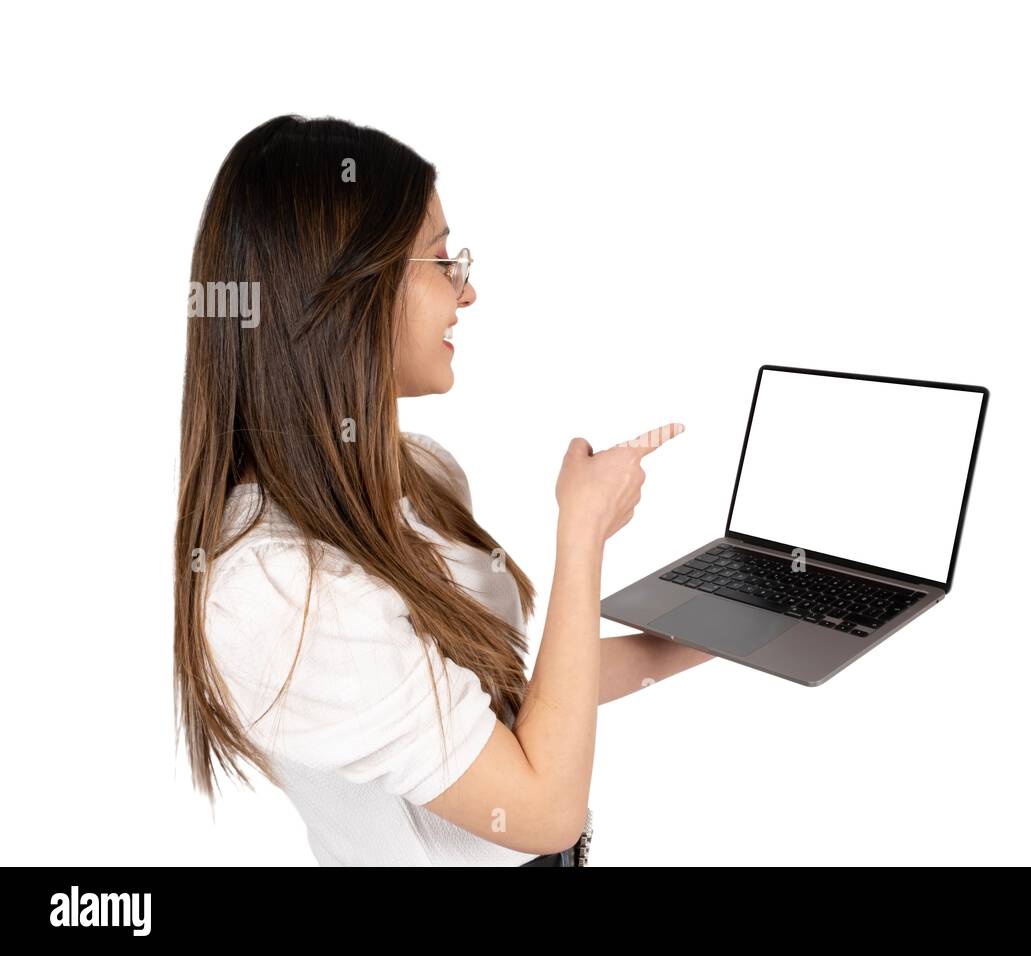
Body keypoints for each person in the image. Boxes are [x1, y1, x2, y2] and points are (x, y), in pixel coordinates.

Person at [173, 114, 712, 865]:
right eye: (440, 261)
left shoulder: (418, 474)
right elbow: (544, 810)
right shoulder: (276, 590)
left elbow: (515, 705)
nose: (469, 290)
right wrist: (581, 533)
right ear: (344, 294)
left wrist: (728, 629)